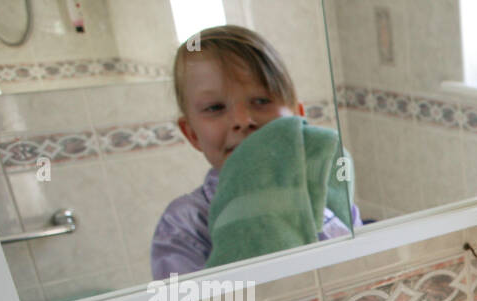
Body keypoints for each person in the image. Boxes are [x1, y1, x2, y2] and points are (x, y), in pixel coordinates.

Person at [150, 25, 360, 280]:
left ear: (297, 118)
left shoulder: (323, 190)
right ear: (192, 133)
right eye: (215, 107)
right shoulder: (183, 224)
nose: (242, 120)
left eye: (261, 101)